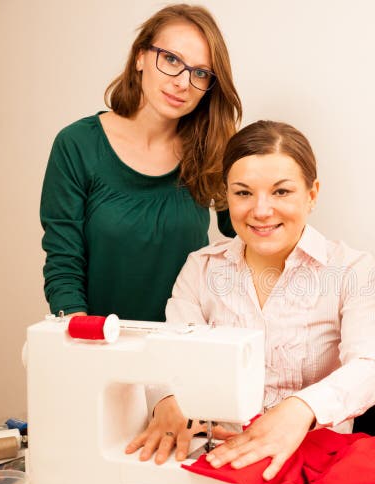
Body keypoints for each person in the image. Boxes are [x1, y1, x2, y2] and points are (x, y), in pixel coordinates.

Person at [126, 120, 375, 481]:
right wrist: (165, 400)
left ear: (312, 194)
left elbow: (370, 368)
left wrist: (301, 408)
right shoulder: (200, 270)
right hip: (216, 462)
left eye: (281, 192)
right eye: (243, 193)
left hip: (314, 468)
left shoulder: (351, 270)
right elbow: (167, 358)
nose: (261, 210)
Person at [40, 4, 241, 322]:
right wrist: (84, 343)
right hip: (99, 345)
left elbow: (251, 231)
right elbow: (64, 265)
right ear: (140, 57)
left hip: (187, 349)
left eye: (200, 72)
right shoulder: (77, 145)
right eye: (172, 59)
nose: (182, 82)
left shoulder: (209, 150)